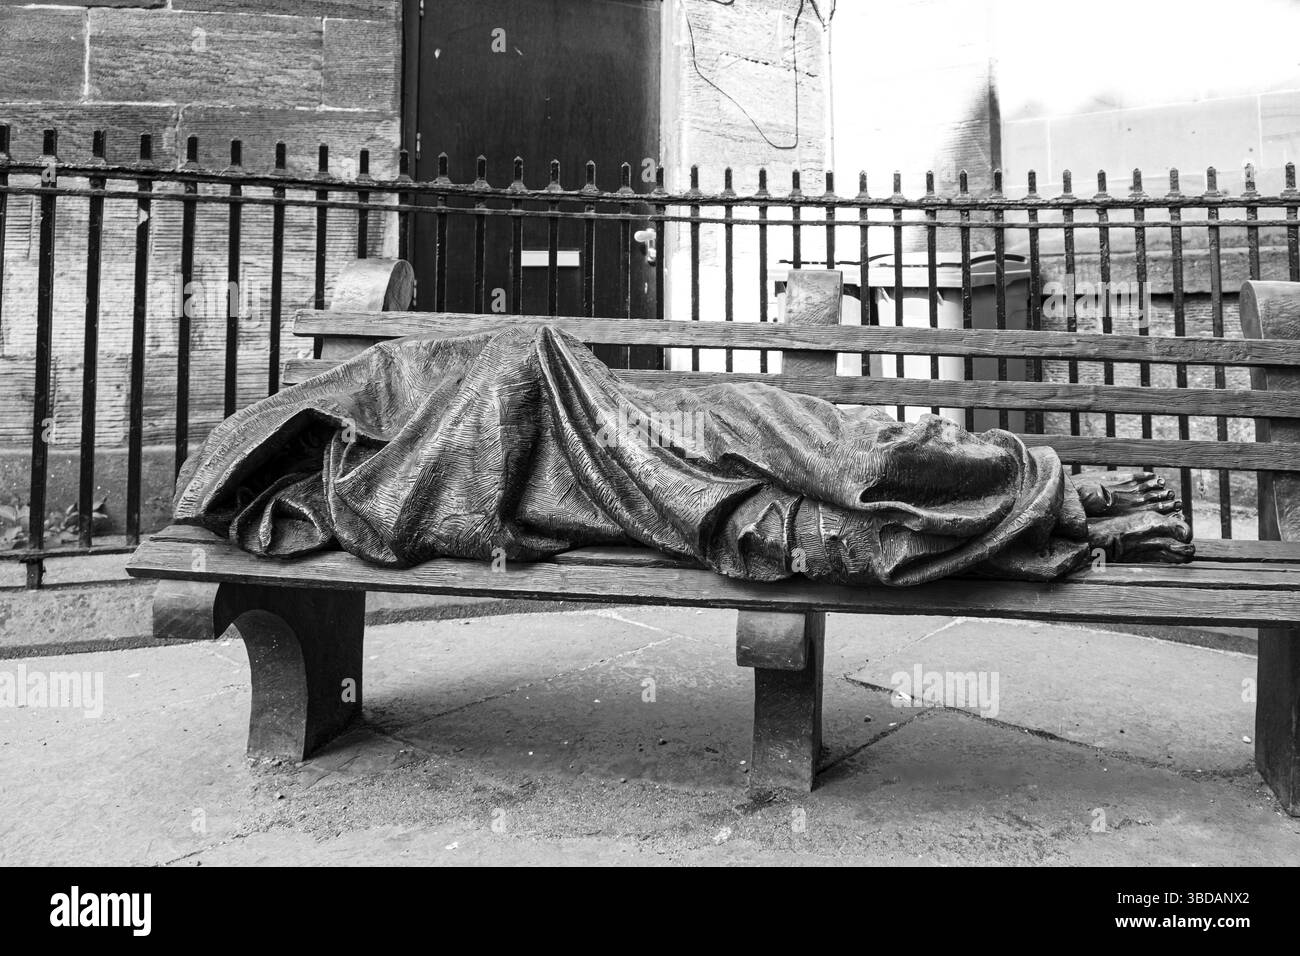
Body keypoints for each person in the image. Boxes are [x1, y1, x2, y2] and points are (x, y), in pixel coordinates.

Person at [173, 323, 1192, 586]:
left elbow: (516, 362)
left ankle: (1050, 489)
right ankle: (1067, 514)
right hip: (616, 486)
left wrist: (521, 378)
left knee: (843, 452)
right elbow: (421, 509)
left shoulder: (388, 390)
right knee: (804, 533)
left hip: (638, 428)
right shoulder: (357, 490)